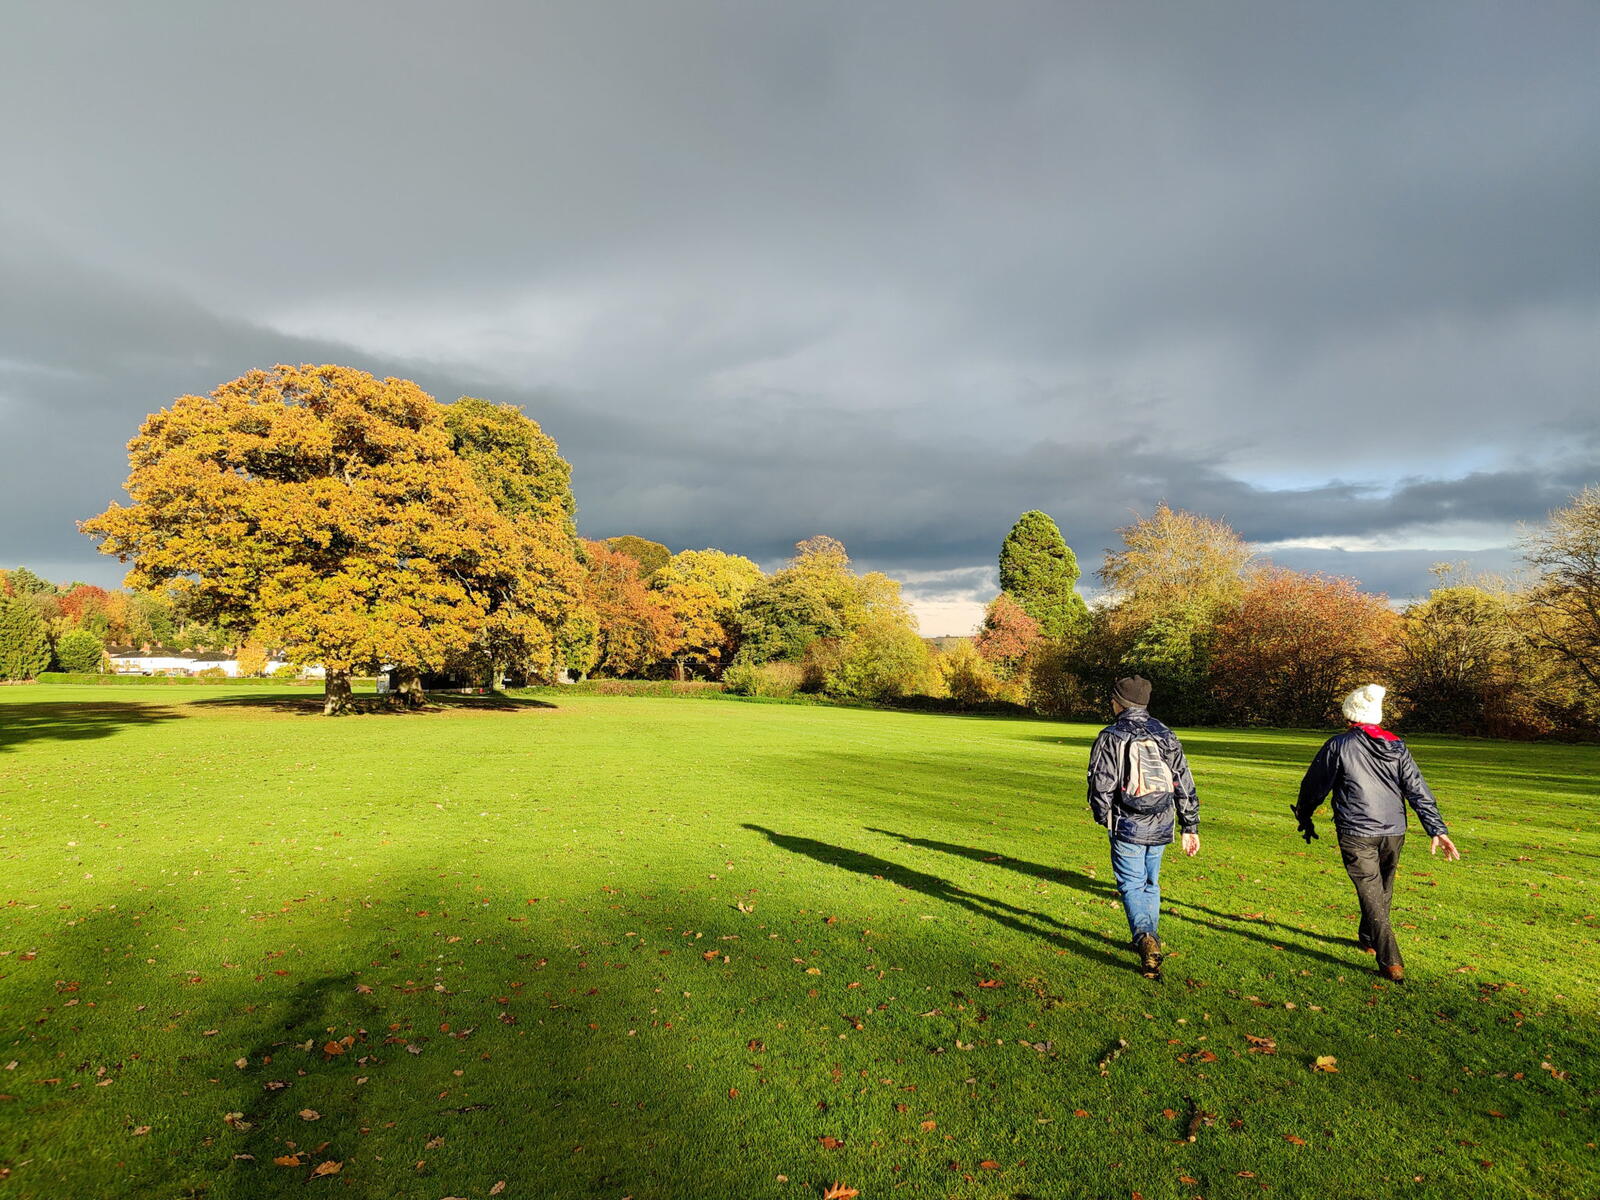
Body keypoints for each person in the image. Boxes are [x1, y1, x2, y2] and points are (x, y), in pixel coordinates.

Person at [1293, 683, 1460, 982]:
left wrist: (1304, 814)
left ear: (1350, 715)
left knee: (1373, 892)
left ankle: (1390, 960)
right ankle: (1368, 938)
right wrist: (1435, 827)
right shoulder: (1396, 745)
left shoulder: (1339, 745)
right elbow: (1418, 789)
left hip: (1357, 830)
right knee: (1380, 887)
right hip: (1393, 830)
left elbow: (1314, 786)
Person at [1086, 675, 1200, 979]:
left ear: (1119, 703)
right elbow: (1183, 781)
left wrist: (1103, 816)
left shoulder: (1111, 735)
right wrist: (1190, 825)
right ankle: (1151, 935)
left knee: (1131, 884)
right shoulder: (1165, 733)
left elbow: (1101, 783)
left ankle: (1145, 938)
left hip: (1126, 823)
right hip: (1162, 821)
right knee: (1151, 882)